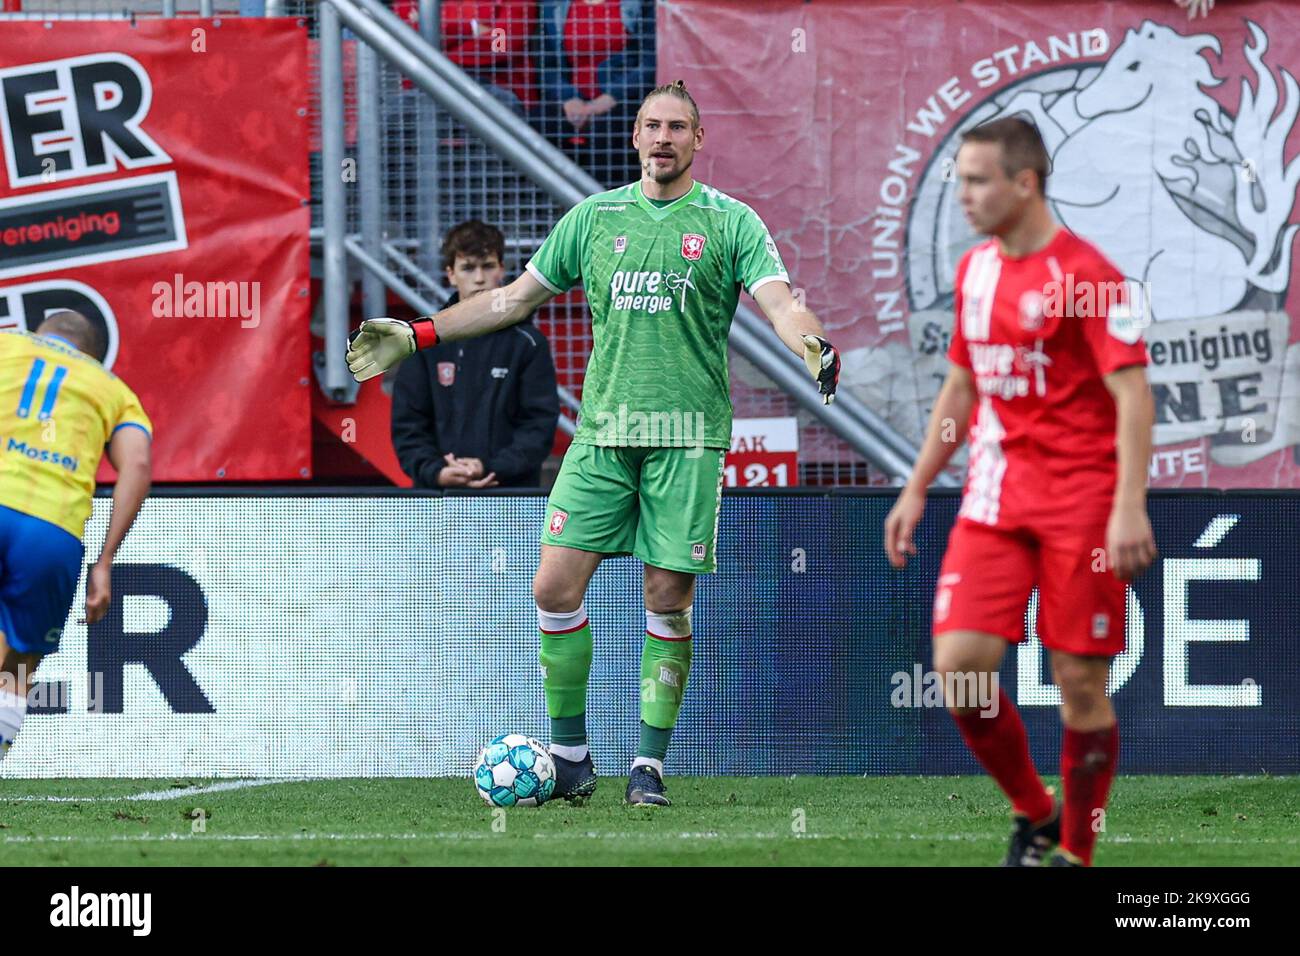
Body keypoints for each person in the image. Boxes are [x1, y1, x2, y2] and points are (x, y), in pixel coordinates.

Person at [347, 80, 841, 806]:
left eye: (678, 126)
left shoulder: (732, 222)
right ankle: (572, 758)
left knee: (666, 596)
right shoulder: (594, 218)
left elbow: (781, 302)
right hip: (603, 437)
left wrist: (812, 343)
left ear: (699, 141)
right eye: (652, 126)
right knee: (552, 586)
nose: (664, 137)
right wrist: (421, 333)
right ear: (635, 138)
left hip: (687, 440)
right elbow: (512, 299)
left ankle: (648, 766)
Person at [883, 118, 1157, 866]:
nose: (964, 195)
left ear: (1024, 183)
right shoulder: (974, 270)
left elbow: (1133, 396)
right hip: (994, 502)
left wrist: (1129, 504)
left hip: (1083, 506)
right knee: (959, 670)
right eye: (960, 180)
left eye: (977, 180)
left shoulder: (1092, 276)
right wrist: (914, 489)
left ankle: (1076, 851)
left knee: (1078, 688)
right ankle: (1035, 812)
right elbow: (963, 387)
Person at [0, 312, 152, 759]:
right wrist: (104, 562)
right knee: (20, 667)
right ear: (93, 354)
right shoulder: (113, 390)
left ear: (39, 333)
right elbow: (138, 467)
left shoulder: (6, 346)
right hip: (52, 531)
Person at [391, 219, 559, 489]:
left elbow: (539, 426)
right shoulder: (424, 343)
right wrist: (436, 472)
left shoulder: (528, 343)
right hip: (437, 501)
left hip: (511, 498)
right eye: (468, 268)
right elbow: (408, 425)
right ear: (451, 274)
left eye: (488, 266)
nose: (479, 277)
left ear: (501, 270)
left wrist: (491, 468)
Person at [537, 0, 655, 187]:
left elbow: (650, 63)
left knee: (610, 129)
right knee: (542, 121)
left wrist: (610, 97)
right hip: (573, 98)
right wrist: (568, 98)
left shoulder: (640, 5)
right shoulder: (554, 6)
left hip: (622, 99)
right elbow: (546, 65)